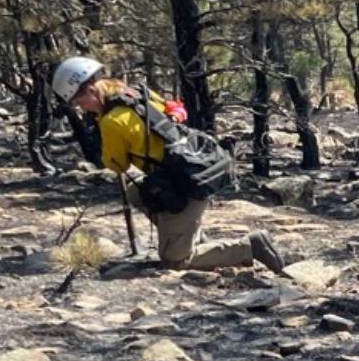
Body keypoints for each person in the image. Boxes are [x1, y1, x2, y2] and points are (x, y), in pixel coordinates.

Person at [50, 56, 284, 273]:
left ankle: (248, 247)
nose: (81, 108)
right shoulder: (133, 92)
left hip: (183, 182)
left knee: (175, 261)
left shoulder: (111, 121)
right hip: (196, 164)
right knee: (137, 192)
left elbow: (117, 165)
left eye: (79, 102)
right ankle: (187, 236)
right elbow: (175, 108)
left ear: (89, 91)